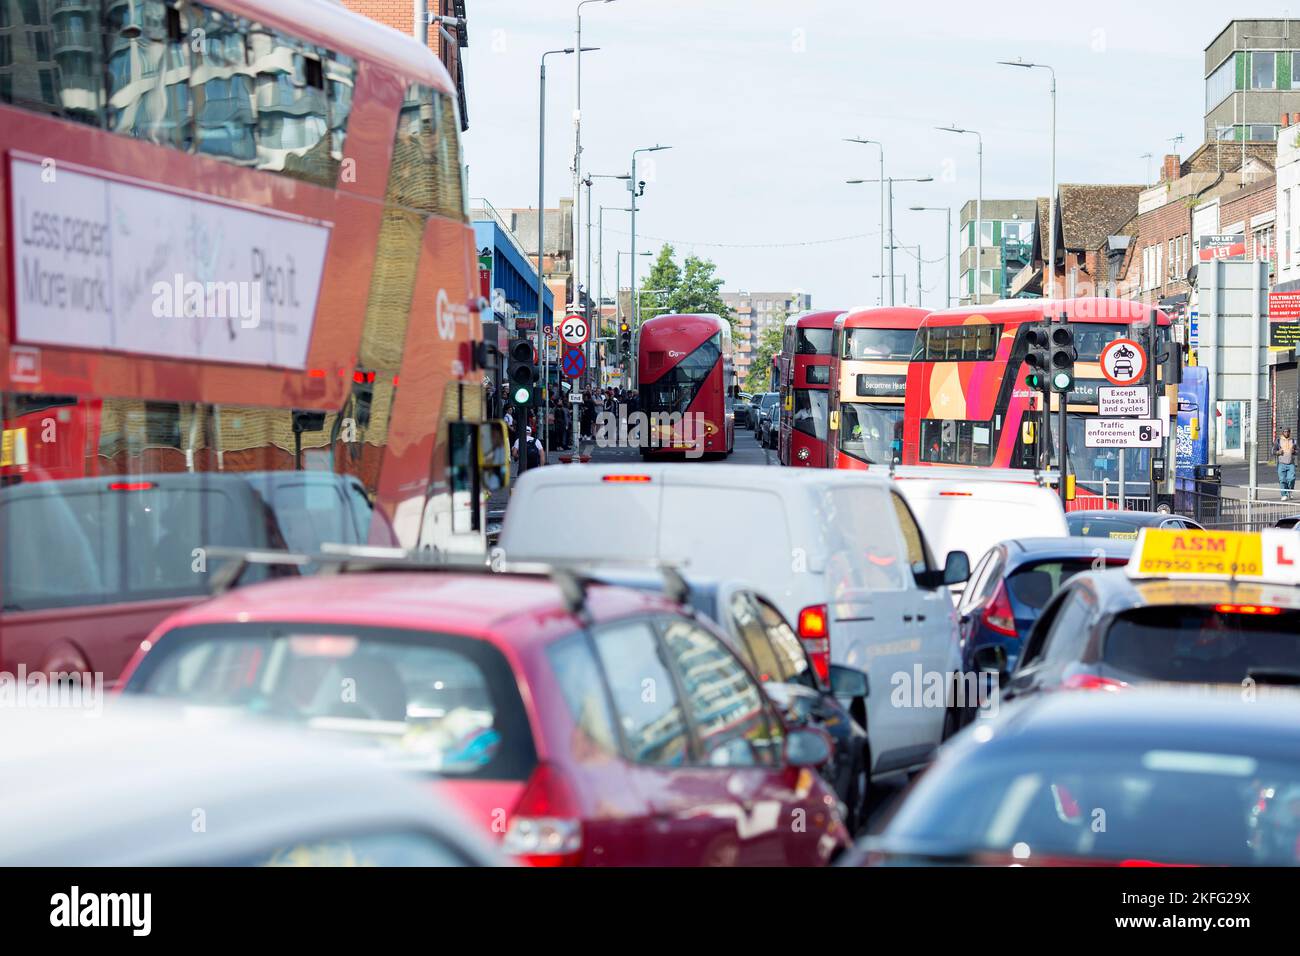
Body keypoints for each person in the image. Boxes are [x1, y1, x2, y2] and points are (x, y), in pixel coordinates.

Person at [1275, 428, 1296, 501]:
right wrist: (1278, 452)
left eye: (1288, 432)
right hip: (1281, 464)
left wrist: (1294, 451)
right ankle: (1284, 495)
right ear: (1282, 432)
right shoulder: (1278, 441)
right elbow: (1273, 451)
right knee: (1282, 480)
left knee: (1291, 478)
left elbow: (1297, 451)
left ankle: (1290, 492)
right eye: (1285, 432)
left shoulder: (1293, 441)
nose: (1286, 433)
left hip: (1291, 463)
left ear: (1290, 432)